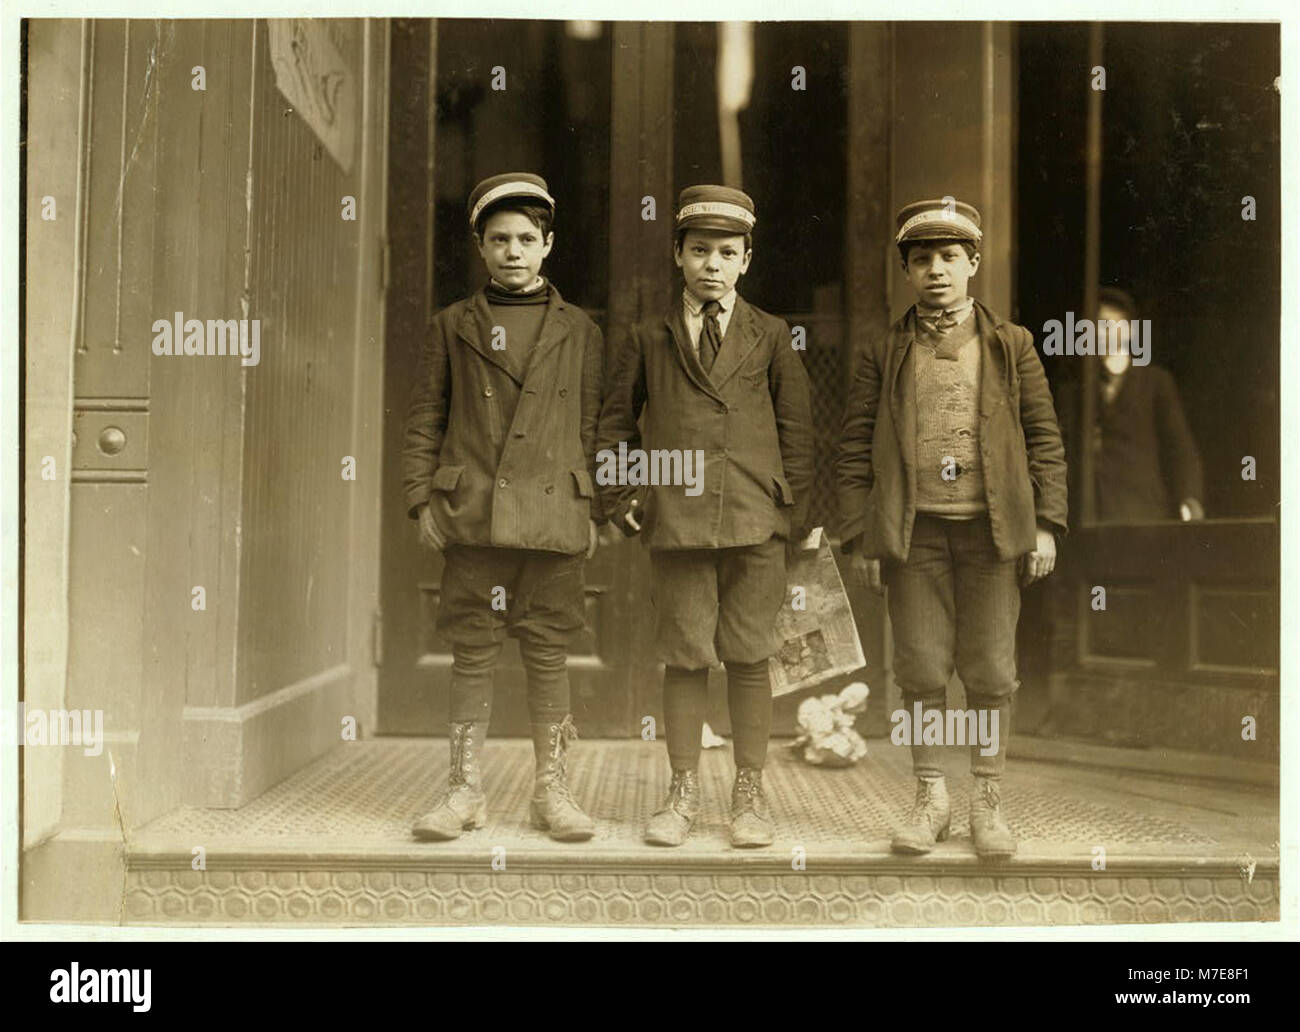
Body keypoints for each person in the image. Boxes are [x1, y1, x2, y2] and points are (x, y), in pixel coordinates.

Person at [834, 198, 1068, 859]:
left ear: (973, 263)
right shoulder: (884, 352)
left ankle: (987, 800)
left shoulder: (1011, 345)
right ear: (906, 271)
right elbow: (854, 449)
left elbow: (1045, 437)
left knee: (992, 669)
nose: (935, 271)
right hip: (914, 537)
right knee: (919, 668)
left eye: (948, 258)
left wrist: (1045, 525)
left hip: (992, 535)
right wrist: (863, 537)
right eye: (920, 260)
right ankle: (930, 796)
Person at [596, 185, 814, 848]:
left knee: (750, 658)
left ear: (746, 259)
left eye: (726, 251)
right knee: (686, 657)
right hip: (680, 523)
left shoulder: (771, 335)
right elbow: (613, 425)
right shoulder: (647, 336)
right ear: (677, 255)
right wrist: (625, 501)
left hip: (755, 518)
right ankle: (683, 789)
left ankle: (748, 794)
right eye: (699, 250)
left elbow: (798, 431)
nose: (711, 264)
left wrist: (794, 517)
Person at [401, 173, 604, 843]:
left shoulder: (580, 330)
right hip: (475, 513)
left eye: (526, 238)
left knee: (548, 652)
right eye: (498, 240)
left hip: (552, 518)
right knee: (473, 650)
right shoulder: (453, 325)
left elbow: (598, 424)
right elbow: (427, 414)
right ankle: (463, 792)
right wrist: (418, 498)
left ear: (548, 245)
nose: (512, 250)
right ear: (481, 248)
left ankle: (552, 793)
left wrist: (592, 508)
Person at [1055, 286, 1205, 523]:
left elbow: (1180, 449)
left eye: (1105, 325)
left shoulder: (1155, 383)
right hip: (1088, 519)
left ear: (1129, 332)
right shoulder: (1074, 389)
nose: (1096, 335)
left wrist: (1189, 501)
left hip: (1142, 517)